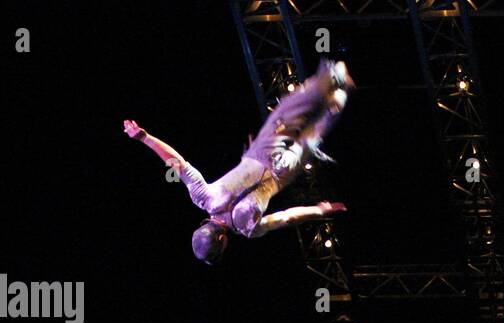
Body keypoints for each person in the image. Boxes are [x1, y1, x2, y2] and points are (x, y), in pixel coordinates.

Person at [124, 59, 352, 262]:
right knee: (292, 109)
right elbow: (176, 162)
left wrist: (320, 210)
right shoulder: (204, 198)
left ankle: (339, 97)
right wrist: (144, 138)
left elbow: (287, 218)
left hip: (282, 173)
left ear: (222, 239)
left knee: (314, 135)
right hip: (262, 152)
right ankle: (333, 76)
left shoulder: (248, 229)